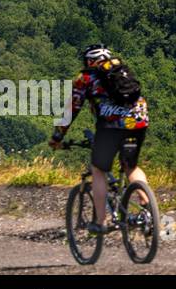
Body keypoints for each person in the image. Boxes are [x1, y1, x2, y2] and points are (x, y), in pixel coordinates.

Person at [49, 45, 150, 232]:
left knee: (98, 169)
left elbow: (72, 109)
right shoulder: (123, 71)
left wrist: (58, 136)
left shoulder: (86, 78)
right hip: (138, 122)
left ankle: (101, 221)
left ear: (89, 61)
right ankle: (148, 210)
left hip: (111, 126)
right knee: (131, 167)